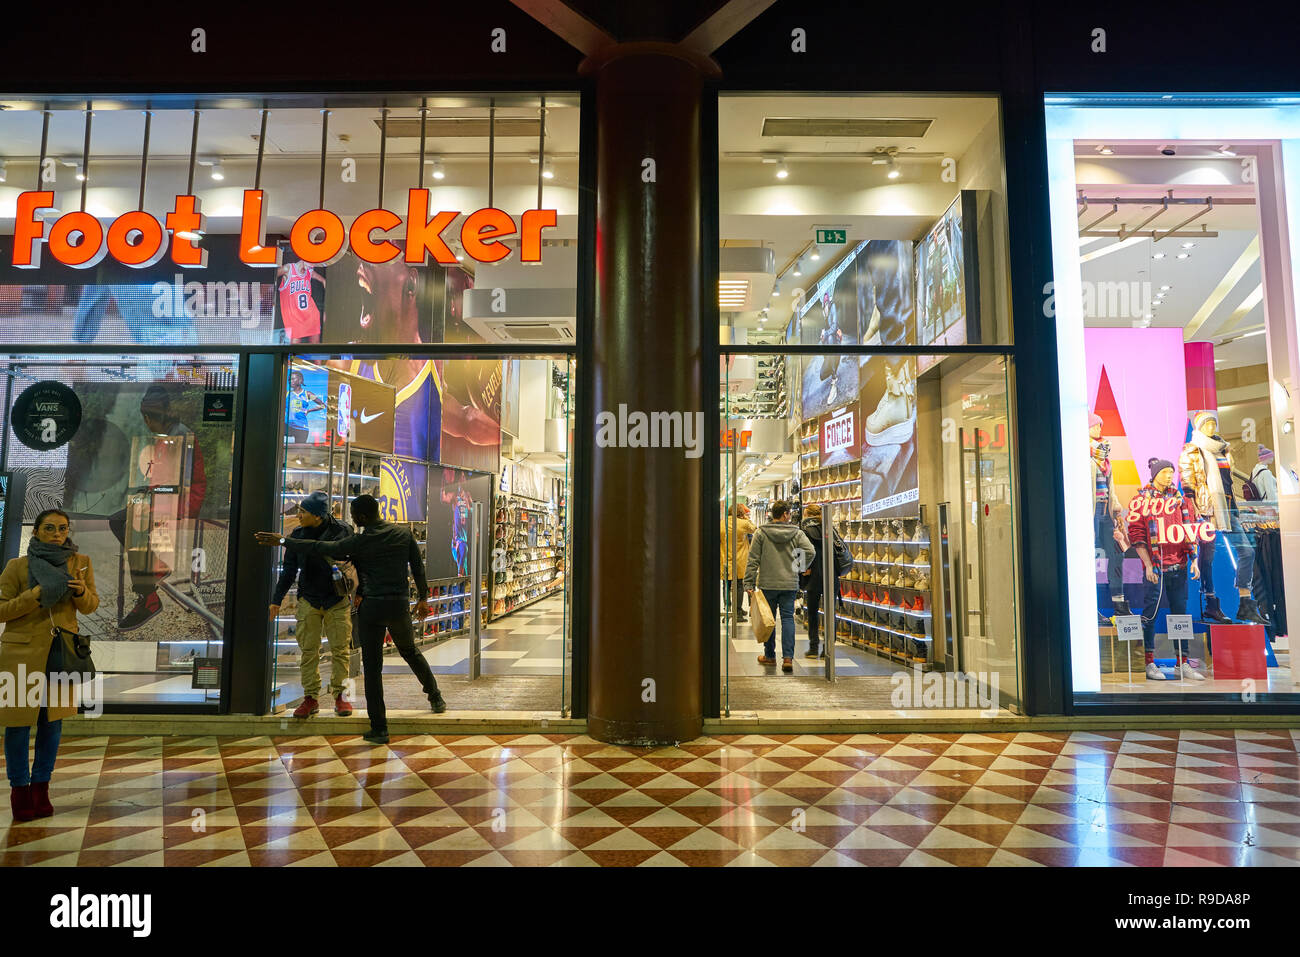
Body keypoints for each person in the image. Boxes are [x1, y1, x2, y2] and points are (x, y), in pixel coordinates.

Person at [256, 494, 445, 745]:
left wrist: (282, 540)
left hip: (371, 608)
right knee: (410, 652)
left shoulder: (359, 541)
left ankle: (379, 729)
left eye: (354, 515)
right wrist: (422, 598)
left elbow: (319, 548)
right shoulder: (402, 534)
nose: (351, 520)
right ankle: (435, 697)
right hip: (398, 604)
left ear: (363, 517)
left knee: (373, 668)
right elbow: (418, 568)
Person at [0, 509, 98, 822]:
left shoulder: (79, 563)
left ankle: (41, 787)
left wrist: (81, 591)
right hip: (20, 656)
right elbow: (2, 610)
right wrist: (35, 595)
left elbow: (91, 605)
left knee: (51, 724)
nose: (57, 533)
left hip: (62, 653)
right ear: (38, 531)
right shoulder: (18, 567)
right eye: (50, 528)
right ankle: (20, 790)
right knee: (17, 726)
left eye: (62, 528)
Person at [109, 384, 207, 630]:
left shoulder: (178, 436)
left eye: (147, 419)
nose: (147, 424)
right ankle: (151, 582)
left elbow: (178, 484)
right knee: (126, 518)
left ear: (148, 417)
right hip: (169, 497)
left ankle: (149, 593)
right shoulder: (171, 434)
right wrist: (148, 493)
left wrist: (150, 499)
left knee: (125, 520)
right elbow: (167, 479)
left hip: (182, 500)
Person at [270, 491, 354, 719]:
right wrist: (276, 600)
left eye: (303, 511)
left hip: (337, 599)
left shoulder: (342, 531)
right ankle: (310, 697)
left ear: (317, 515)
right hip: (309, 598)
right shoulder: (297, 534)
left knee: (341, 651)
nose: (298, 515)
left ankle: (342, 695)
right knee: (308, 651)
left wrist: (361, 592)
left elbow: (355, 561)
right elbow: (288, 571)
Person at [1128, 459, 1204, 681]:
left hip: (1178, 565)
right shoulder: (1141, 500)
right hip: (1156, 566)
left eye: (1172, 472)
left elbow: (1189, 529)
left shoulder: (1180, 500)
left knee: (1180, 614)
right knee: (1150, 614)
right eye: (1165, 472)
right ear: (1154, 474)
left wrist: (1194, 560)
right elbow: (1137, 535)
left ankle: (1183, 662)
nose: (1169, 475)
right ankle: (1149, 662)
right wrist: (1148, 564)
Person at [744, 500, 814, 674]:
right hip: (789, 583)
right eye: (789, 513)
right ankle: (788, 658)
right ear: (785, 514)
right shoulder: (796, 533)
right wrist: (799, 567)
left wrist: (749, 582)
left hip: (767, 583)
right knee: (788, 618)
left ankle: (770, 655)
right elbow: (810, 551)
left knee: (769, 619)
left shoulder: (761, 533)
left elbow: (753, 559)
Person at [798, 503, 846, 659]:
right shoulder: (830, 529)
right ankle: (828, 649)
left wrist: (800, 569)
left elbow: (800, 552)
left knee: (812, 613)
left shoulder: (804, 531)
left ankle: (813, 648)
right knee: (830, 613)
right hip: (831, 575)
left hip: (812, 576)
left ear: (808, 515)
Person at [720, 503, 756, 623]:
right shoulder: (743, 523)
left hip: (725, 558)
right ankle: (738, 612)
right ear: (741, 513)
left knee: (726, 585)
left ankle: (728, 609)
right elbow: (754, 528)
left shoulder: (722, 523)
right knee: (739, 585)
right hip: (740, 559)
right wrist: (746, 518)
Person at [285, 369, 327, 445]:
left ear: (300, 380)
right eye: (289, 379)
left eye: (293, 379)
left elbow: (323, 405)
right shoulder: (286, 394)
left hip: (301, 427)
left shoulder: (307, 394)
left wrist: (309, 410)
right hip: (288, 426)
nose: (290, 381)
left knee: (299, 453)